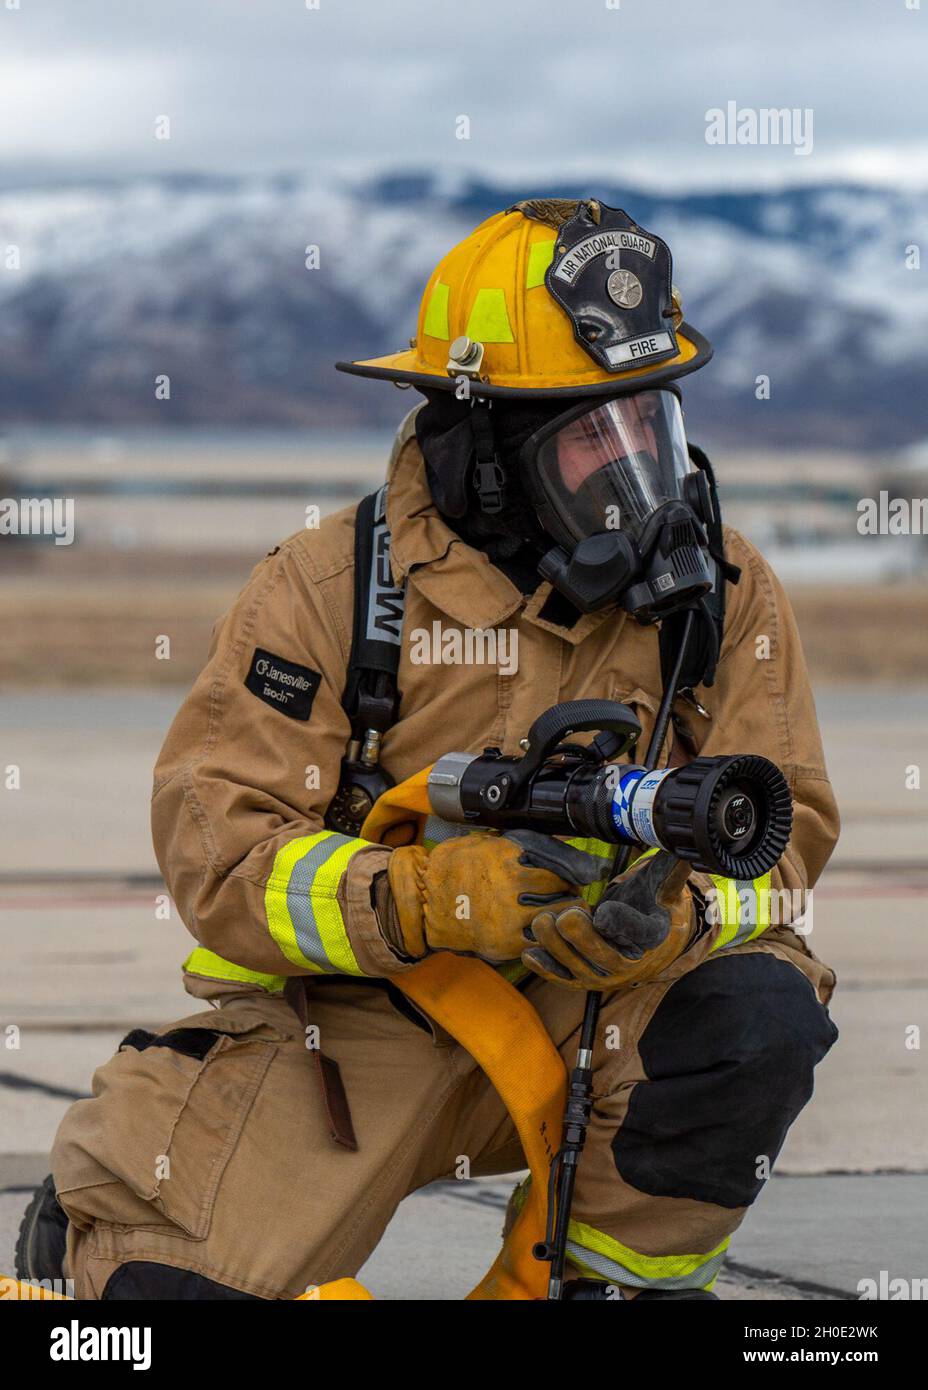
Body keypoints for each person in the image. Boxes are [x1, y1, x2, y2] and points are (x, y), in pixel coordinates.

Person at [43, 198, 838, 1300]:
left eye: (646, 425)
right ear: (483, 448)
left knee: (753, 1011)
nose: (637, 476)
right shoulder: (324, 590)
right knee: (163, 1299)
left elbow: (785, 828)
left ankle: (603, 1283)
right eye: (588, 439)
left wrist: (685, 909)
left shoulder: (722, 589)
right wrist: (420, 899)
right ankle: (104, 1234)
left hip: (598, 1001)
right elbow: (217, 862)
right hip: (356, 1022)